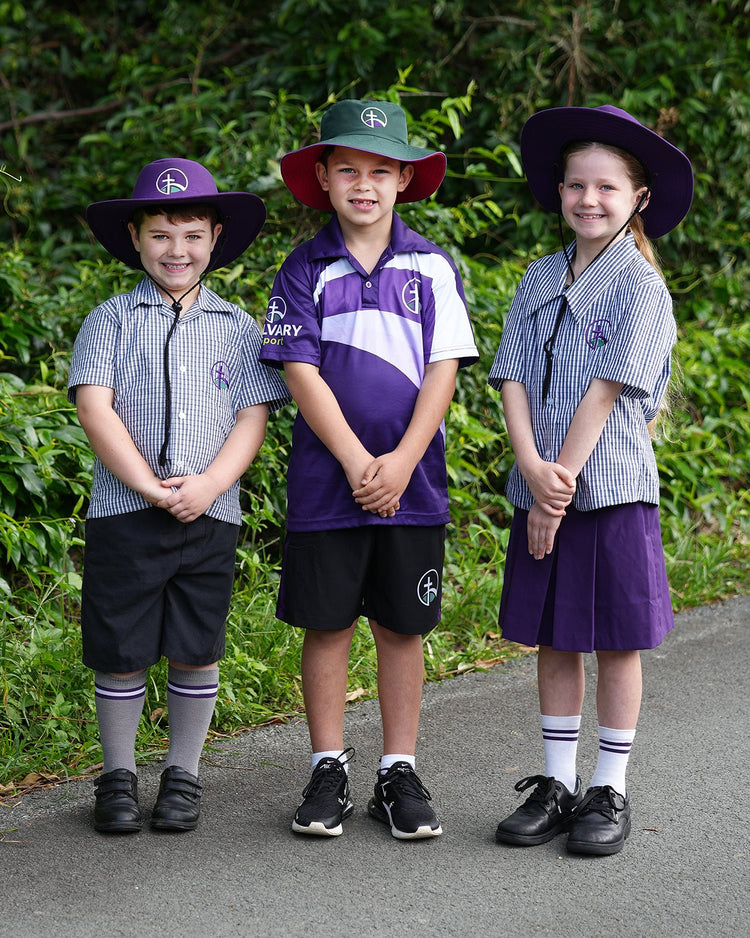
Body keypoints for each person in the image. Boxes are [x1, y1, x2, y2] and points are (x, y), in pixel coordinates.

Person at [259, 99, 478, 839]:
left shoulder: (431, 266)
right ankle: (327, 766)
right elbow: (299, 369)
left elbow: (445, 367)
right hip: (329, 486)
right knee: (325, 627)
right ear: (322, 177)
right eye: (347, 169)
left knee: (399, 626)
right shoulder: (302, 268)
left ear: (403, 180)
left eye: (380, 171)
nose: (364, 184)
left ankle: (398, 769)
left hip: (411, 487)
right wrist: (357, 461)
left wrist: (403, 460)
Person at [488, 105, 693, 856]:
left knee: (614, 642)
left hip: (606, 490)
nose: (588, 199)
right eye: (576, 184)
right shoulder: (539, 276)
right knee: (553, 636)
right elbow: (510, 377)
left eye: (607, 186)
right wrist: (531, 472)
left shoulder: (641, 287)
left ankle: (609, 786)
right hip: (540, 478)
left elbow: (605, 393)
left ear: (638, 196)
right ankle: (556, 783)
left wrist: (558, 485)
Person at [68, 158, 290, 834]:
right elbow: (95, 408)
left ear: (215, 238)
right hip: (126, 513)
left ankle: (183, 776)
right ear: (135, 237)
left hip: (210, 514)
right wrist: (146, 485)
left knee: (198, 645)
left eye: (191, 235)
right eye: (161, 235)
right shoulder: (109, 320)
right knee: (120, 647)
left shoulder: (238, 326)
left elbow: (252, 414)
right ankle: (117, 776)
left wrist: (211, 484)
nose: (177, 250)